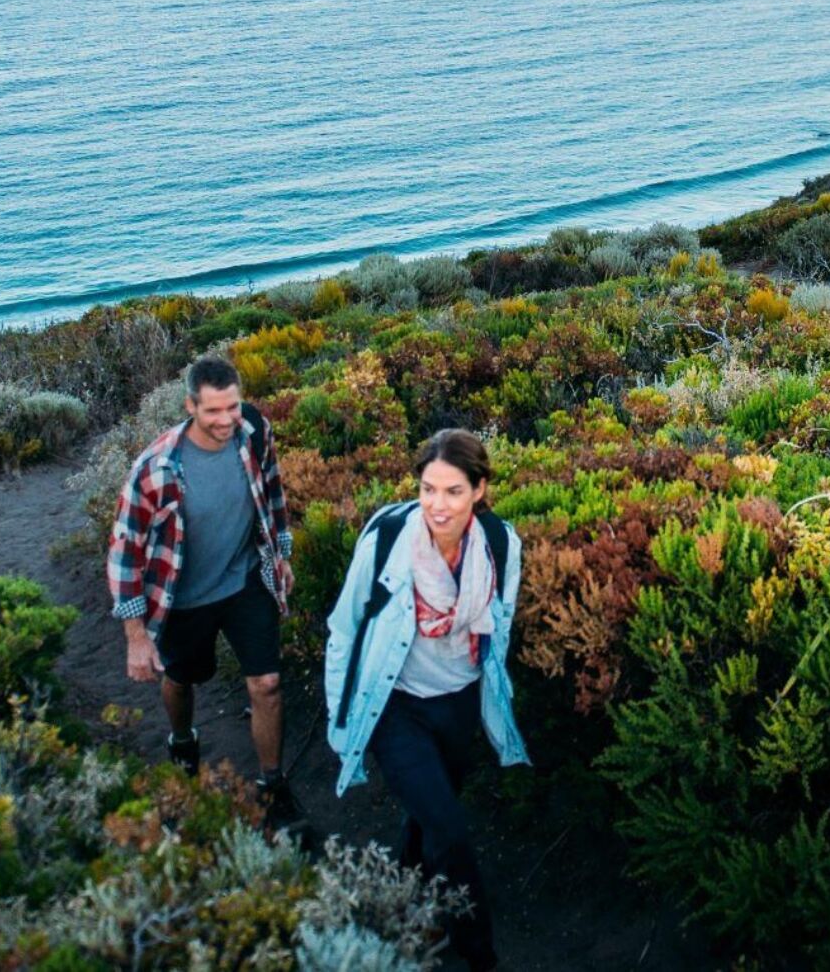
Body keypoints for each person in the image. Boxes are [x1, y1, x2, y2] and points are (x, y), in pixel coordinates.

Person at [325, 429, 529, 972]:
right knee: (451, 829)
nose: (438, 505)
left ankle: (400, 901)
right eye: (428, 489)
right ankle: (480, 955)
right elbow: (344, 629)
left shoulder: (500, 546)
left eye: (454, 491)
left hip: (459, 702)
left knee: (428, 820)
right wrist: (340, 718)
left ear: (480, 490)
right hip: (397, 708)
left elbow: (498, 631)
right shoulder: (388, 540)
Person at [107, 354, 303, 831]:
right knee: (181, 678)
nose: (225, 421)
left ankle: (272, 784)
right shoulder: (156, 468)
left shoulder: (254, 431)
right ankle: (182, 740)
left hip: (243, 582)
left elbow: (271, 490)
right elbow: (123, 551)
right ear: (190, 406)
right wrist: (136, 636)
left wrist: (281, 552)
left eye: (232, 407)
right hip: (183, 598)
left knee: (268, 684)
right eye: (213, 411)